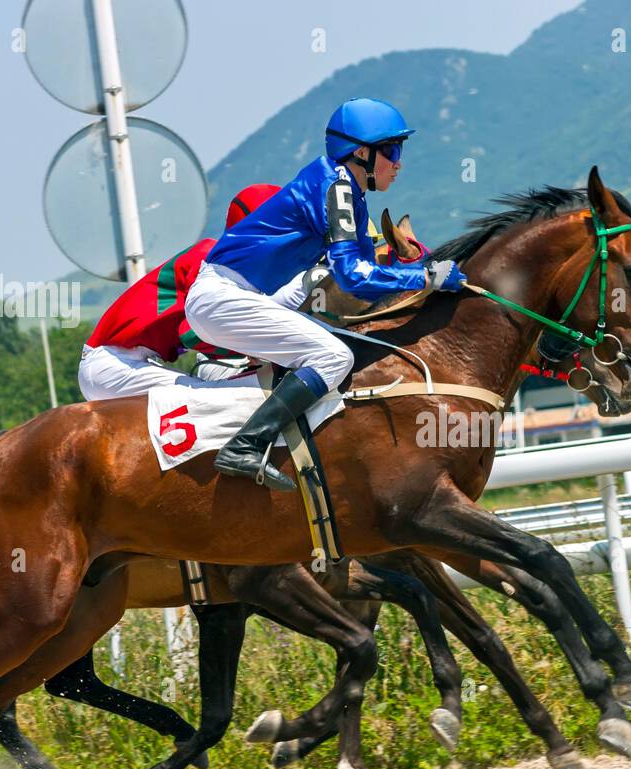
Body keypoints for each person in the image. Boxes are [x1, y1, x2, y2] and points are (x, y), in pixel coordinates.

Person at [184, 97, 466, 489]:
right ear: (361, 153)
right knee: (334, 356)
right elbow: (353, 276)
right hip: (223, 297)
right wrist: (426, 278)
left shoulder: (349, 194)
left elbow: (366, 280)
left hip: (235, 297)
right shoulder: (337, 188)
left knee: (338, 346)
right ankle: (245, 446)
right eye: (392, 151)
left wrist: (421, 278)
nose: (398, 163)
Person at [77, 185, 281, 401]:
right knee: (215, 400)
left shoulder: (217, 261)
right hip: (113, 364)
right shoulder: (209, 263)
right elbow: (190, 333)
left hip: (121, 361)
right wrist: (254, 349)